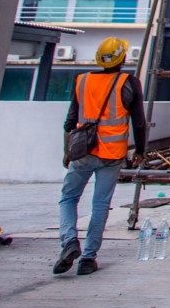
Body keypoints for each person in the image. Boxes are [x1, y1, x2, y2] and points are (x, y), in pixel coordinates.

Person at [54, 37, 146, 276]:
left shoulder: (82, 81)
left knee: (68, 198)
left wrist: (67, 152)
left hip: (82, 151)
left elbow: (69, 121)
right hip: (112, 155)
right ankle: (88, 257)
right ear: (123, 58)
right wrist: (140, 151)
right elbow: (139, 123)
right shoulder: (129, 83)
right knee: (100, 205)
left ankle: (69, 241)